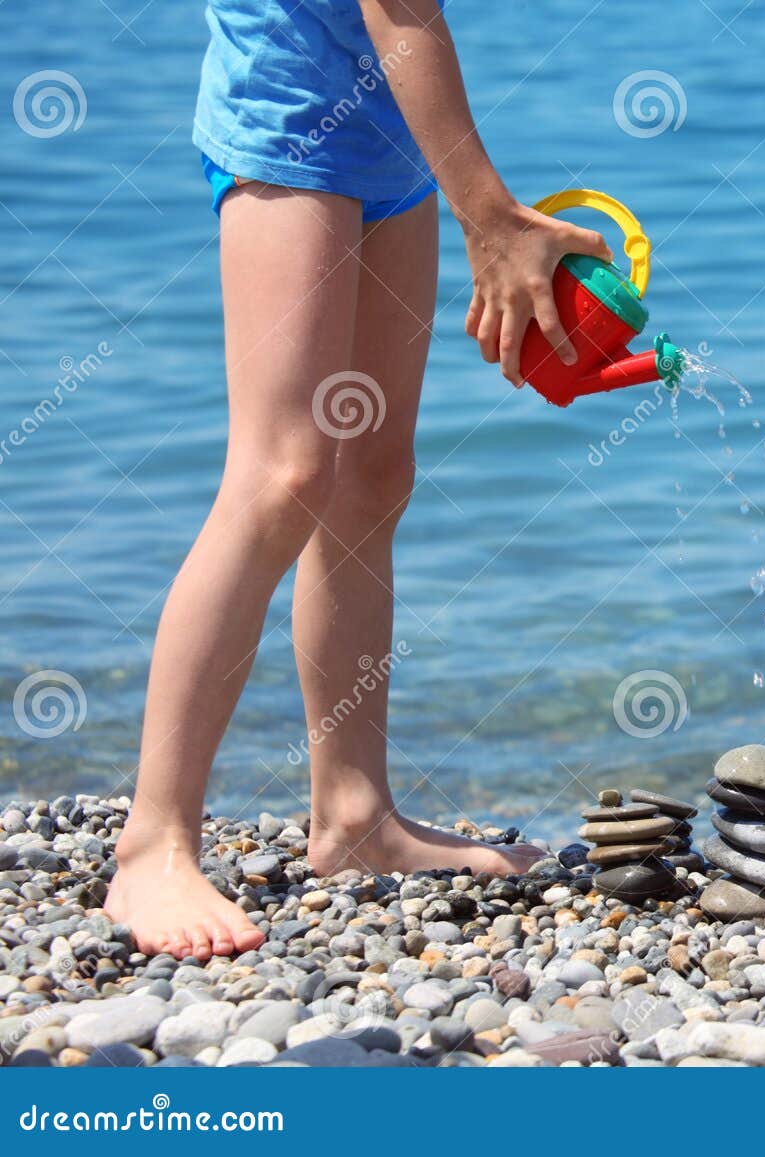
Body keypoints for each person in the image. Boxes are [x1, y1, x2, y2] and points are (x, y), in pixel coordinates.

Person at [106, 0, 600, 960]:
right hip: (287, 113)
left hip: (388, 128)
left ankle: (353, 810)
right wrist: (489, 219)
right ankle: (152, 842)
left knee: (373, 474)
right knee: (282, 472)